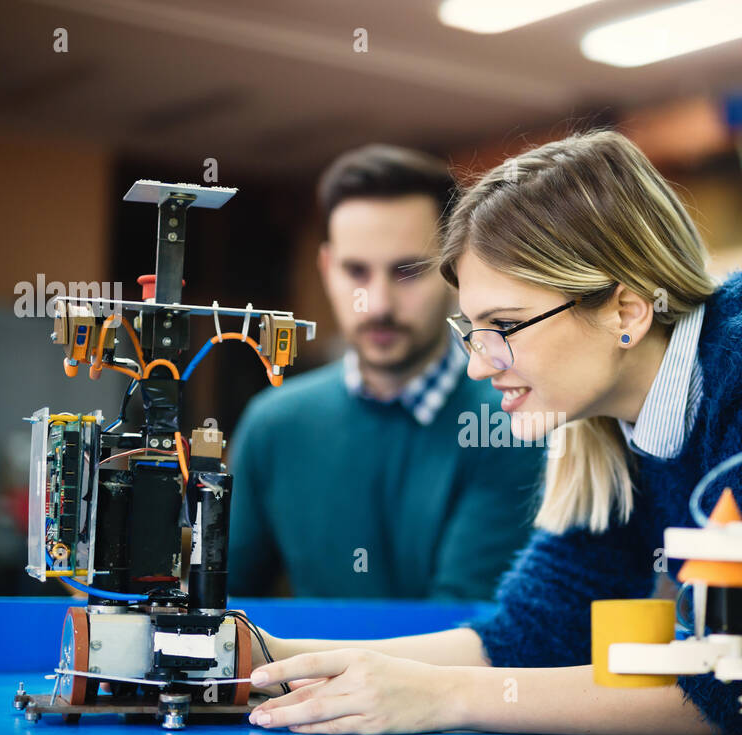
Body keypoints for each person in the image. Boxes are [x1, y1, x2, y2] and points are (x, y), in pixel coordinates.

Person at [242, 129, 742, 735]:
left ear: (625, 311)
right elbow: (535, 631)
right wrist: (277, 658)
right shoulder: (615, 422)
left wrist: (446, 696)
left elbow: (736, 687)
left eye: (503, 328)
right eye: (473, 330)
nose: (478, 364)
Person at [227, 144, 544, 599]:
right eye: (356, 271)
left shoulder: (511, 422)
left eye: (408, 271)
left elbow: (466, 624)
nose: (377, 305)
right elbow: (225, 609)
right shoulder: (273, 424)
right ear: (326, 268)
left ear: (456, 271)